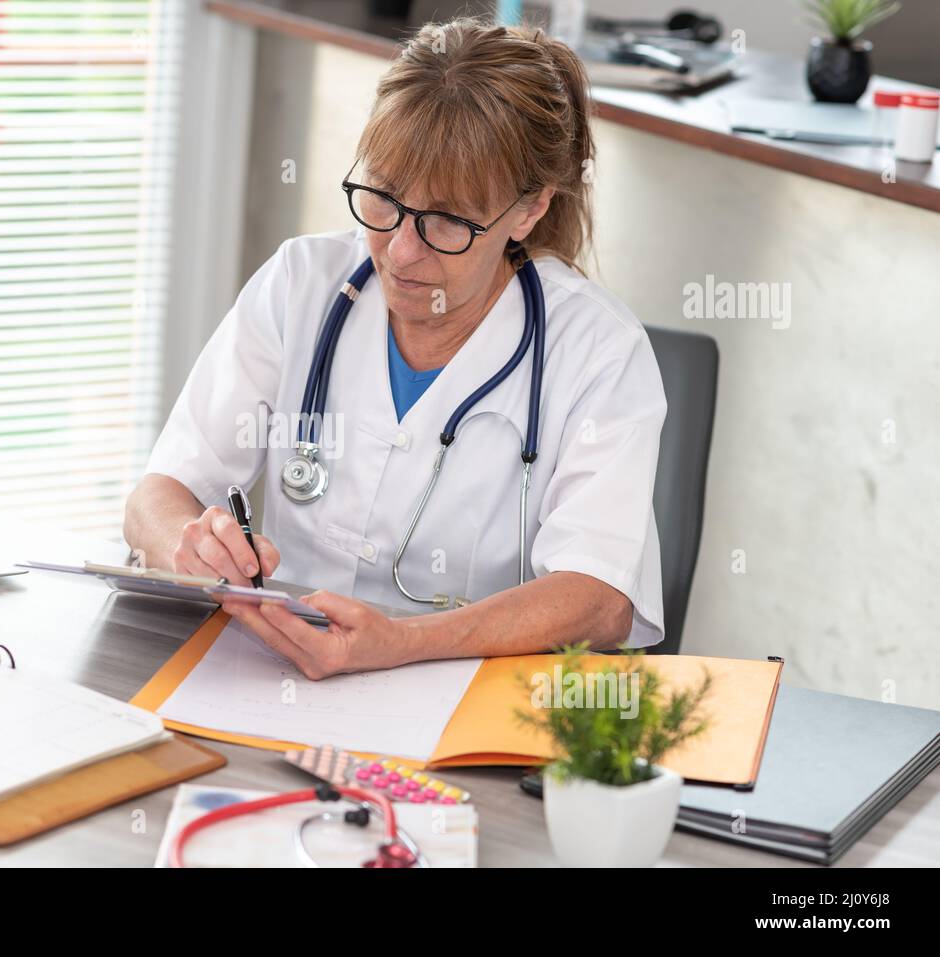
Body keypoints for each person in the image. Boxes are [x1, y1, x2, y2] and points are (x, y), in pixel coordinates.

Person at [124, 19, 667, 678]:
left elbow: (599, 598)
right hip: (277, 680)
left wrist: (401, 643)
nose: (402, 251)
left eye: (447, 220)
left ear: (527, 212)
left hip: (466, 701)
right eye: (383, 197)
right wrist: (189, 546)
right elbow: (160, 492)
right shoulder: (303, 284)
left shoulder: (599, 352)